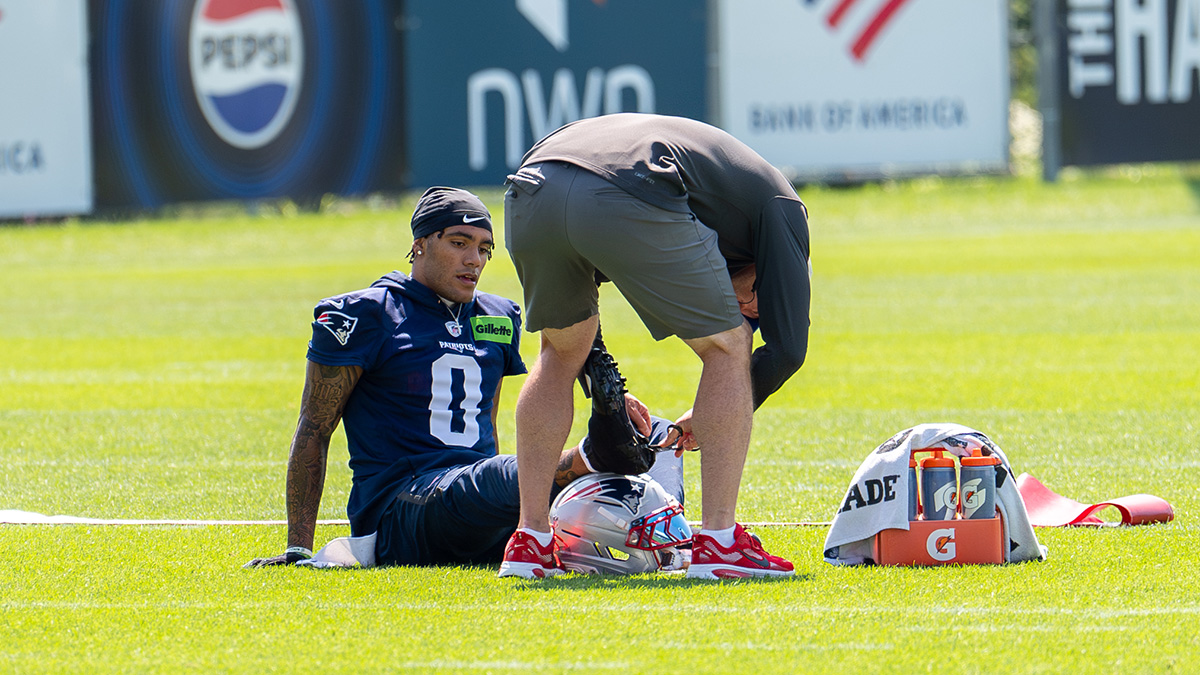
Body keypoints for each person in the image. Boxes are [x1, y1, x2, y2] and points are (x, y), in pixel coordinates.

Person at [245, 187, 682, 570]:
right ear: (420, 245)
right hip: (403, 512)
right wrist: (299, 548)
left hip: (481, 506)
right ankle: (594, 453)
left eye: (485, 249)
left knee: (654, 438)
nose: (474, 260)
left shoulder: (498, 316)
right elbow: (314, 427)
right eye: (459, 243)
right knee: (496, 474)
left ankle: (670, 528)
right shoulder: (364, 313)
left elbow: (486, 424)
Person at [501, 113, 812, 580]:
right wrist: (714, 414)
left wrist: (602, 385)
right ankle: (721, 543)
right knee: (730, 346)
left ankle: (530, 541)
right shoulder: (784, 206)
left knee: (559, 352)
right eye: (757, 298)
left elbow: (586, 300)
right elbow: (787, 348)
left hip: (530, 187)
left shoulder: (727, 209)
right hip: (622, 182)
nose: (750, 306)